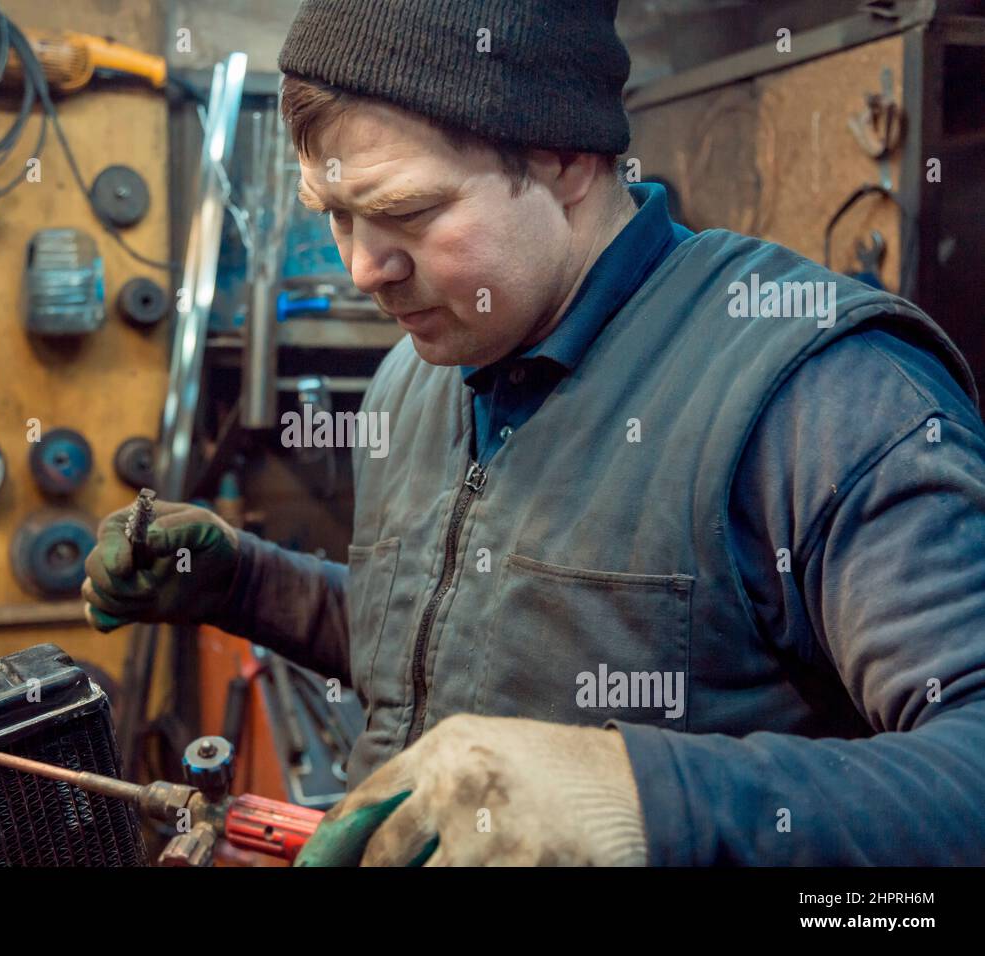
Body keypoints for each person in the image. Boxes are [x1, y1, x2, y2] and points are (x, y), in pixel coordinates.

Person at [83, 0, 985, 866]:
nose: (364, 267)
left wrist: (643, 799)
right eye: (335, 211)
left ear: (566, 159)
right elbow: (436, 642)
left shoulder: (824, 392)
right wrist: (244, 583)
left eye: (408, 213)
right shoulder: (412, 379)